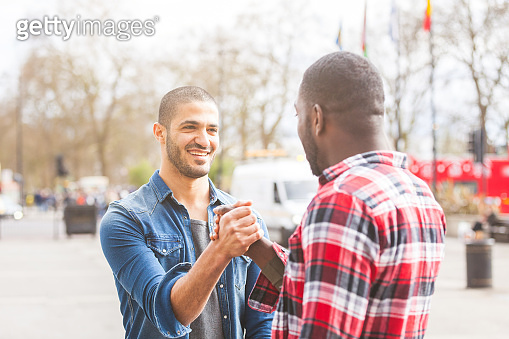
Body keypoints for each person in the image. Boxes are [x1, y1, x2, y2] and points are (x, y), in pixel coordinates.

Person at [214, 51, 447, 338]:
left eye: (298, 115)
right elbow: (342, 291)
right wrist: (258, 248)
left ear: (316, 118)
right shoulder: (419, 195)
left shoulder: (342, 202)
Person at [100, 86, 273, 338]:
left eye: (212, 130)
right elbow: (167, 314)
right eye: (190, 127)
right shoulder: (126, 219)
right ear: (160, 133)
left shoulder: (247, 219)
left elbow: (263, 323)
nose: (204, 140)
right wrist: (221, 249)